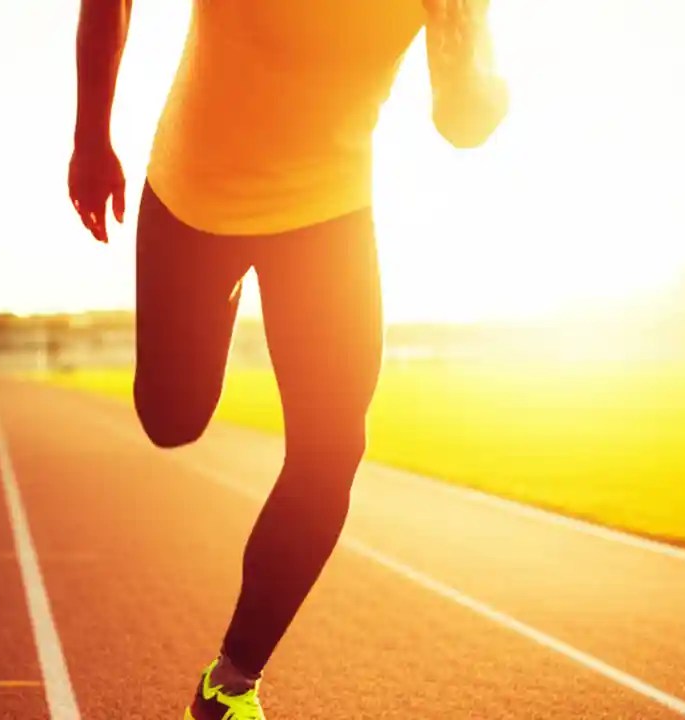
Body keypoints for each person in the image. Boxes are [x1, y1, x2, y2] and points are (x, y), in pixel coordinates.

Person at [66, 0, 508, 717]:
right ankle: (223, 293)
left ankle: (230, 684)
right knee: (172, 419)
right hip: (196, 202)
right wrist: (91, 135)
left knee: (332, 451)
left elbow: (461, 118)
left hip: (327, 214)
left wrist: (469, 42)